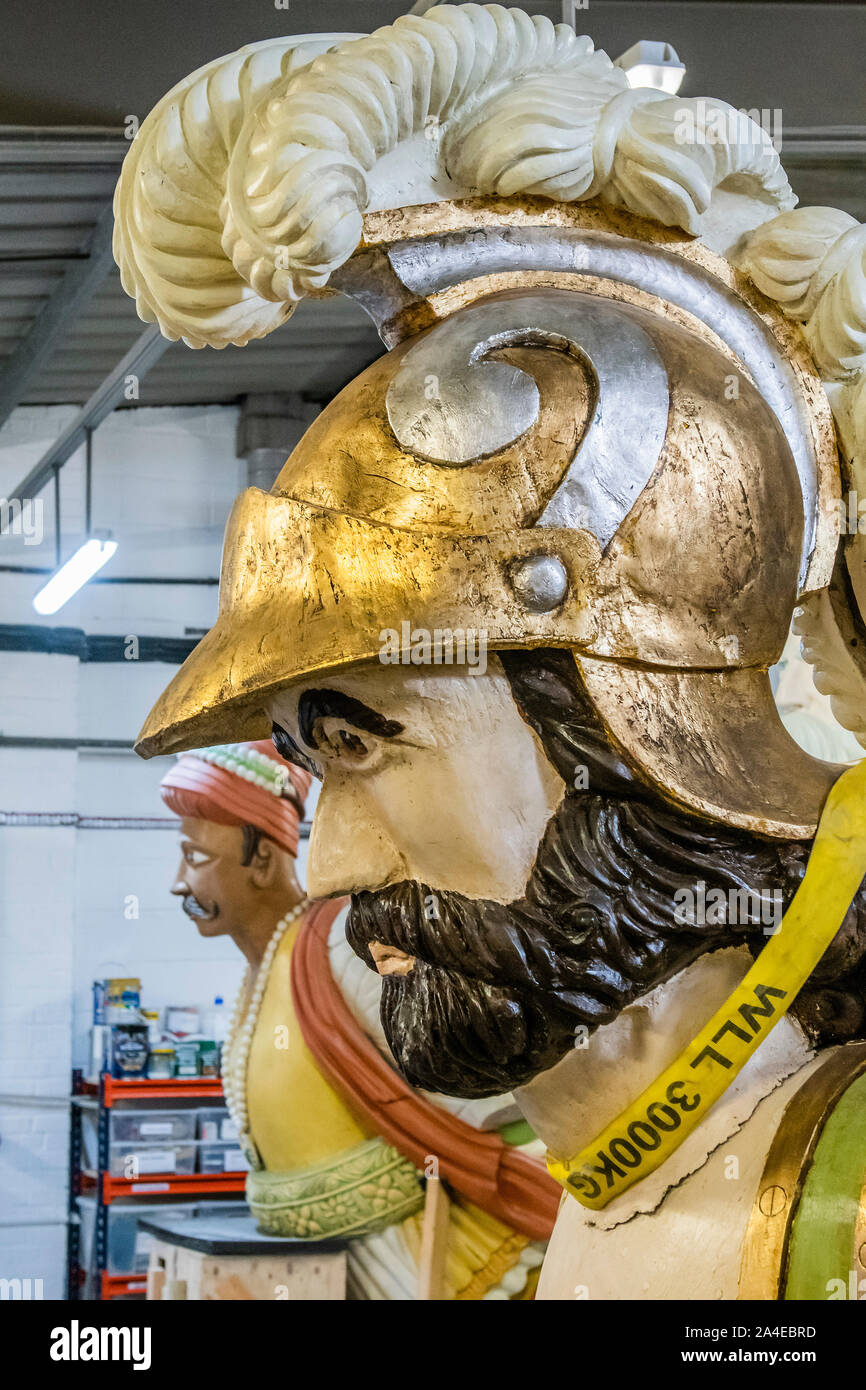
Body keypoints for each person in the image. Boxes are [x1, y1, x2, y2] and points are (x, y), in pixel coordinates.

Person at [161, 741, 556, 1299]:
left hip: (411, 1260)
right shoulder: (259, 975)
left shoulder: (339, 946)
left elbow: (486, 1092)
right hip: (318, 1269)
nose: (179, 882)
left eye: (197, 858)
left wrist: (523, 1177)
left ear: (264, 861)